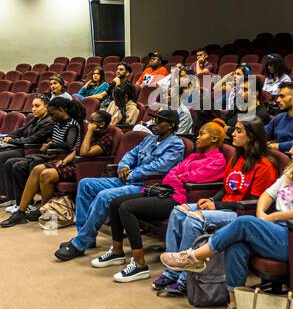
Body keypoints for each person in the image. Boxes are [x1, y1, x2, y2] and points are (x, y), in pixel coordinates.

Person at [161, 129, 293, 309]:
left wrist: (274, 217)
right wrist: (261, 213)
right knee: (236, 244)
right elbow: (268, 194)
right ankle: (234, 307)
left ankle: (195, 257)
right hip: (278, 231)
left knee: (244, 223)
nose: (291, 151)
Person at [155, 118, 278, 298]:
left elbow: (254, 202)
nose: (233, 134)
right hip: (225, 207)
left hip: (242, 214)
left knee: (194, 218)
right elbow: (225, 189)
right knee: (179, 211)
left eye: (239, 131)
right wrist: (211, 200)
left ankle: (184, 280)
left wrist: (216, 205)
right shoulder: (237, 157)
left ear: (252, 136)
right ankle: (171, 273)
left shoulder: (265, 165)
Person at [91, 120, 228, 282]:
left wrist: (178, 177)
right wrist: (177, 177)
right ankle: (117, 252)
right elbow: (172, 173)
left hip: (179, 199)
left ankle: (140, 265)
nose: (197, 137)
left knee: (126, 208)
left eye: (202, 134)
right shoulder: (193, 156)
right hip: (165, 192)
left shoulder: (218, 160)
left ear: (214, 139)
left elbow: (194, 178)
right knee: (116, 203)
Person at [54, 109, 185, 261]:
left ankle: (80, 243)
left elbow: (159, 167)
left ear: (171, 125)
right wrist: (124, 166)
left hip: (146, 185)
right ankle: (85, 236)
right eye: (154, 120)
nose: (154, 124)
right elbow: (131, 154)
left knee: (104, 196)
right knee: (85, 184)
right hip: (127, 179)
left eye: (159, 121)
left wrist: (131, 173)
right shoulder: (150, 139)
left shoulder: (176, 144)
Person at [13, 109, 116, 222]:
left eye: (92, 121)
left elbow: (84, 152)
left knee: (46, 174)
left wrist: (89, 132)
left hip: (84, 169)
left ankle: (43, 209)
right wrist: (65, 160)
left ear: (102, 124)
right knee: (37, 169)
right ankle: (21, 211)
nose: (89, 124)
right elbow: (76, 151)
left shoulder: (107, 139)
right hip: (73, 164)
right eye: (89, 121)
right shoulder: (92, 135)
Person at [0, 97, 82, 223]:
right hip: (52, 155)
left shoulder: (72, 124)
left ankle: (42, 208)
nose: (51, 117)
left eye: (52, 114)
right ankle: (21, 211)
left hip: (63, 157)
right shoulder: (57, 122)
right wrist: (49, 143)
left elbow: (69, 145)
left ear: (61, 110)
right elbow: (53, 139)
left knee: (31, 167)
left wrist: (51, 145)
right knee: (34, 168)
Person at [0, 96, 52, 206]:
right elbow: (20, 130)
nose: (33, 109)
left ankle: (5, 195)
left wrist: (12, 140)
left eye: (37, 106)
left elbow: (33, 139)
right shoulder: (36, 119)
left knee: (0, 156)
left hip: (32, 150)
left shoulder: (49, 122)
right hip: (21, 146)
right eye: (33, 106)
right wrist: (9, 136)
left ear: (46, 107)